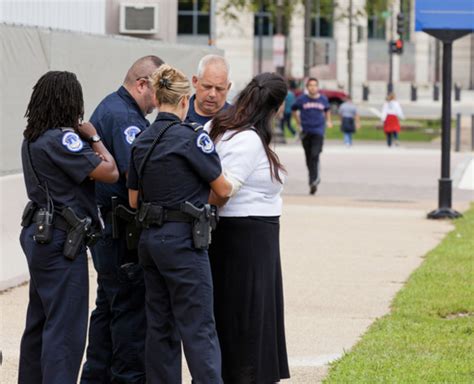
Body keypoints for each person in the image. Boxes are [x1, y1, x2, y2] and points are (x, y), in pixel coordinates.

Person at [127, 64, 233, 384]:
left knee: (160, 327)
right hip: (184, 242)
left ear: (157, 98)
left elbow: (133, 200)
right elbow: (224, 189)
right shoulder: (191, 139)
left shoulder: (142, 140)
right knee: (198, 327)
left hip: (150, 241)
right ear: (185, 100)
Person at [18, 71, 118, 384]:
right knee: (66, 330)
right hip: (61, 241)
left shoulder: (31, 137)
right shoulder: (64, 139)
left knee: (40, 321)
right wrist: (94, 137)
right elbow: (110, 172)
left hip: (39, 235)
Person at [81, 55, 163, 384]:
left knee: (108, 306)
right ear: (142, 84)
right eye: (157, 91)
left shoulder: (113, 107)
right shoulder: (124, 117)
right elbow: (137, 174)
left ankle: (95, 377)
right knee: (128, 310)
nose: (158, 102)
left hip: (107, 229)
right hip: (118, 233)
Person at [206, 72, 291, 384]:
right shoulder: (248, 139)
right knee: (249, 317)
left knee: (238, 313)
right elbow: (224, 189)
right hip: (248, 237)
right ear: (276, 107)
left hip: (244, 235)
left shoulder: (221, 127)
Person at [292, 77, 333, 195]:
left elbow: (327, 110)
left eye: (315, 85)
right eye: (310, 85)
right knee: (309, 157)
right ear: (307, 87)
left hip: (318, 131)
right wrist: (298, 122)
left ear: (318, 87)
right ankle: (312, 181)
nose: (313, 87)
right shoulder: (302, 99)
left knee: (315, 154)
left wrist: (329, 121)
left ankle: (315, 178)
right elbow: (294, 109)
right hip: (306, 131)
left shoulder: (323, 99)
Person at [186, 54, 232, 125]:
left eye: (219, 89)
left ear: (228, 87)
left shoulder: (237, 121)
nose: (212, 94)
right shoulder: (178, 116)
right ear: (195, 81)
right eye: (207, 87)